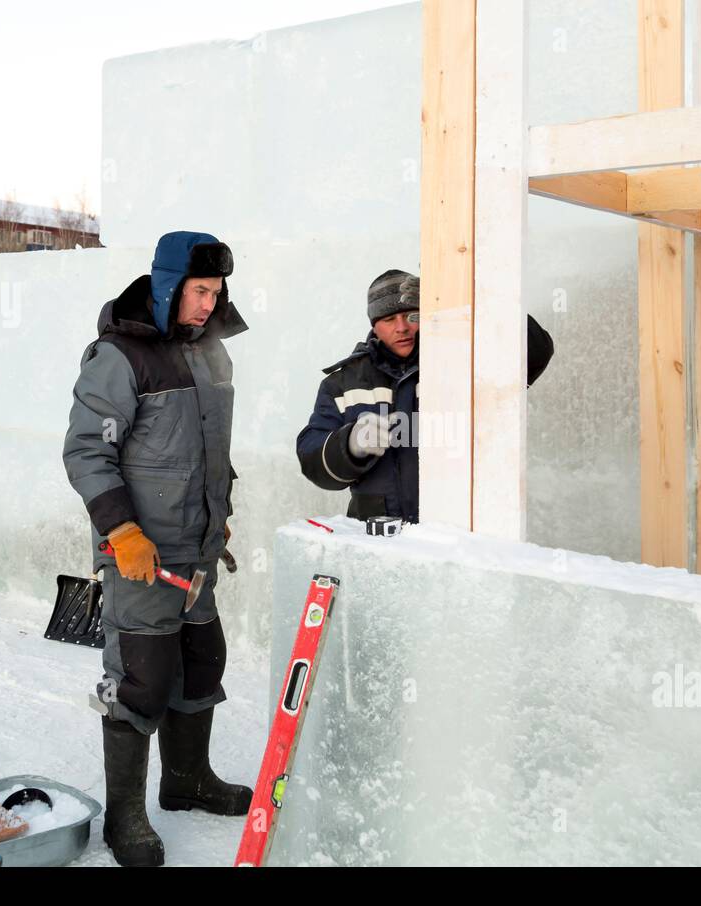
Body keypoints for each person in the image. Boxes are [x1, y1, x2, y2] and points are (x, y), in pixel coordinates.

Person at [63, 231, 252, 867]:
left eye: (217, 292)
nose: (209, 304)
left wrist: (216, 516)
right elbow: (87, 451)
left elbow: (206, 450)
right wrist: (121, 530)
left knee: (201, 661)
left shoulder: (211, 354)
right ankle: (124, 818)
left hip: (196, 555)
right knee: (142, 679)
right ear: (170, 285)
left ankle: (186, 780)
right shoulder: (120, 356)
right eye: (200, 291)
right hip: (140, 556)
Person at [297, 269, 554, 522]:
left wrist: (471, 299)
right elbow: (312, 461)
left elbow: (534, 350)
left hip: (452, 532)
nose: (402, 328)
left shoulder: (460, 359)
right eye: (389, 320)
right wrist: (350, 444)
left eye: (411, 316)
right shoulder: (342, 384)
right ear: (374, 327)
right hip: (375, 541)